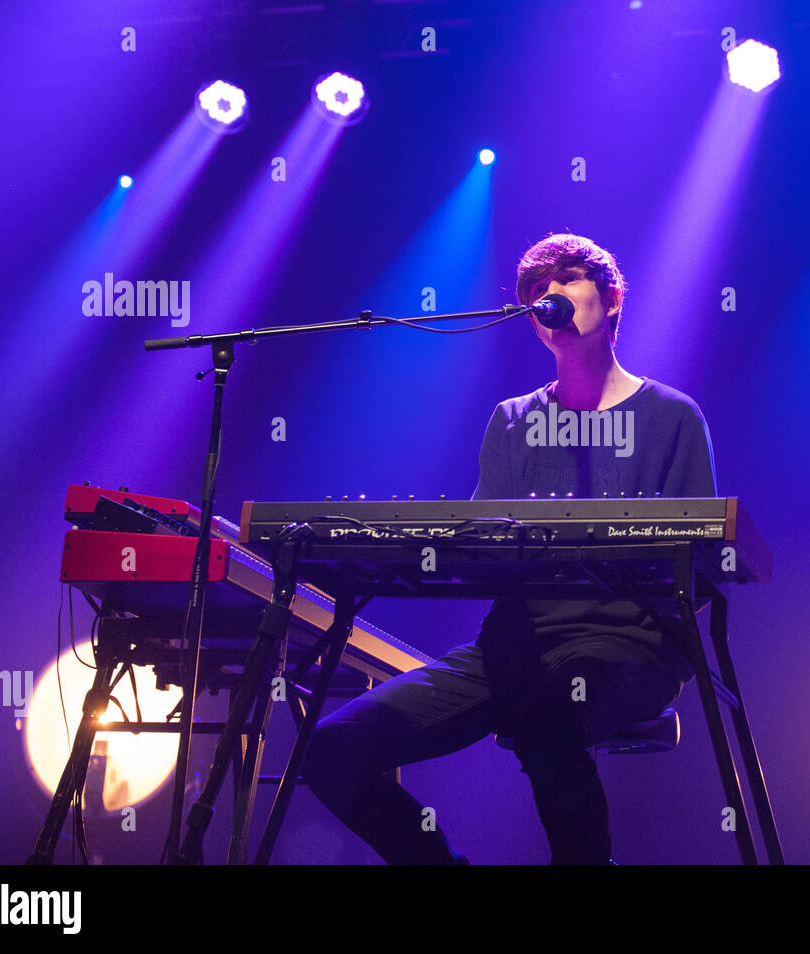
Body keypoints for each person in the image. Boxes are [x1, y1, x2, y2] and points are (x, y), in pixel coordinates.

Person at [303, 233, 717, 864]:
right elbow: (483, 545)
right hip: (514, 646)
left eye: (569, 279)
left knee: (548, 722)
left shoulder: (671, 416)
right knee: (334, 748)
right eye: (534, 291)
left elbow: (701, 553)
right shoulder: (513, 420)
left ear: (612, 301)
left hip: (628, 644)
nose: (549, 296)